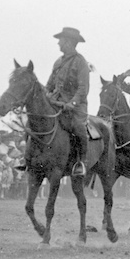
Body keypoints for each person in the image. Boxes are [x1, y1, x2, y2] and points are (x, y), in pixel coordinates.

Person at [44, 27, 91, 176]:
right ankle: (28, 160)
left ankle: (80, 162)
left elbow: (83, 89)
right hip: (56, 104)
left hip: (74, 108)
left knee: (78, 128)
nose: (58, 43)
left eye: (61, 40)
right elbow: (49, 84)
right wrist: (46, 95)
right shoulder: (58, 62)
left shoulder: (81, 62)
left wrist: (72, 104)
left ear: (69, 42)